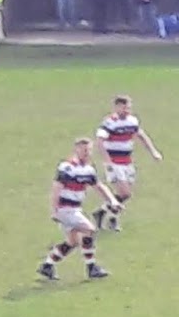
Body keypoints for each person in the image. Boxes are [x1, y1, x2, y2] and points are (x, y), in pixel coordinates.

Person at [37, 137, 118, 281]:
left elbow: (99, 186)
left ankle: (47, 265)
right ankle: (92, 267)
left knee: (72, 242)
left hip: (75, 209)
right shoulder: (67, 167)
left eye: (89, 150)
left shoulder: (88, 169)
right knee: (90, 230)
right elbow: (56, 188)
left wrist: (111, 200)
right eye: (83, 150)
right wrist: (54, 209)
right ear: (76, 149)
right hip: (65, 208)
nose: (86, 153)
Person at [93, 94, 163, 232]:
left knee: (126, 194)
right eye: (124, 108)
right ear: (117, 107)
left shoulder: (132, 121)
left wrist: (154, 152)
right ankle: (112, 219)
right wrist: (108, 161)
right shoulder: (109, 122)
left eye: (128, 108)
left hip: (127, 161)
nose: (127, 111)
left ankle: (102, 212)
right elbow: (99, 142)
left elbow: (141, 135)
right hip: (114, 162)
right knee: (124, 193)